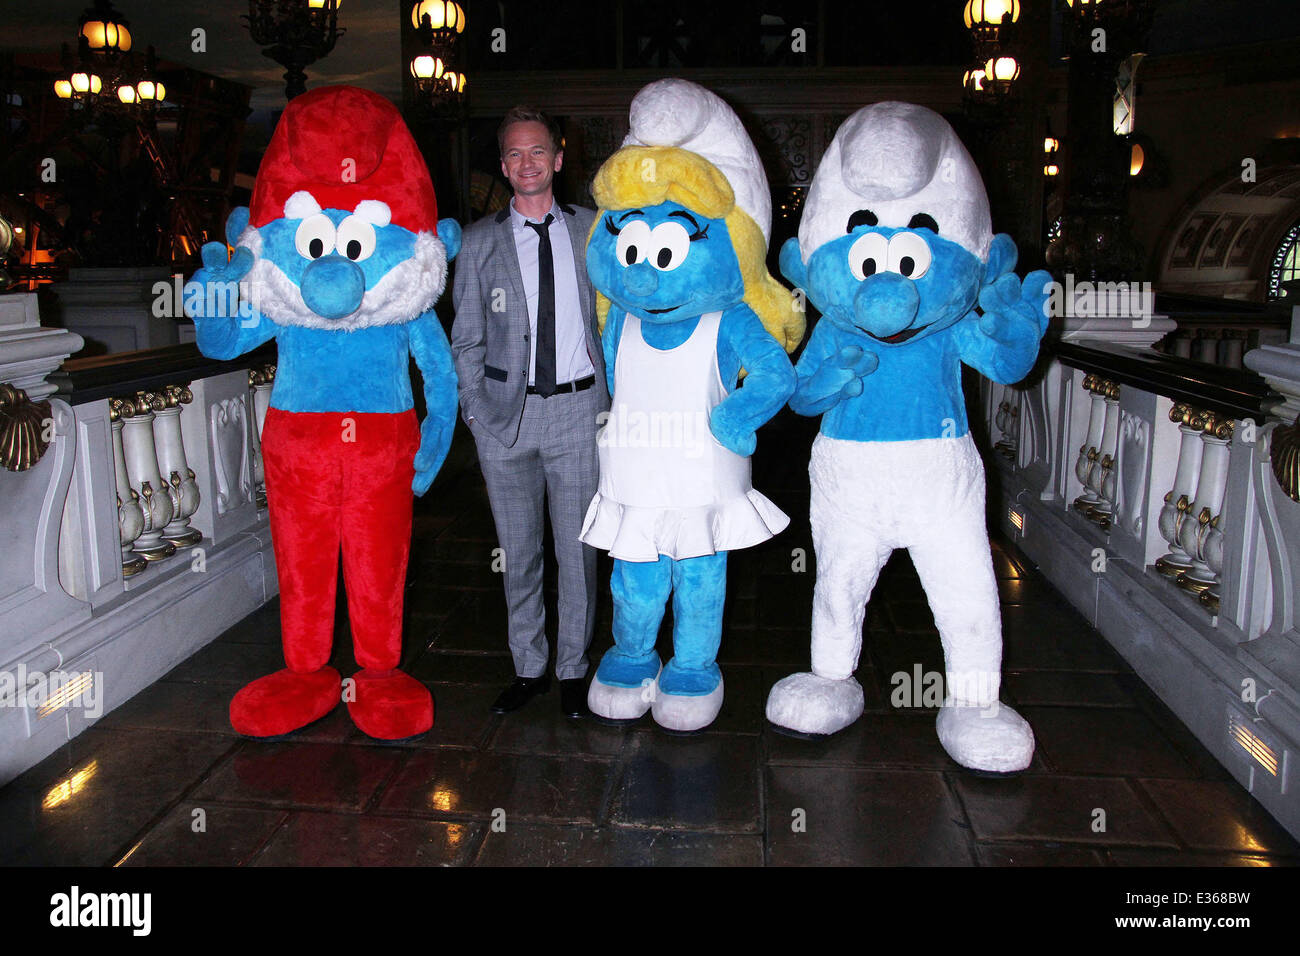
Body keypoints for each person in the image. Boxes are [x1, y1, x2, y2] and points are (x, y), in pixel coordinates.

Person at [451, 106, 609, 719]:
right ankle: (529, 665)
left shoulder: (595, 231)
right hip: (504, 420)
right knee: (518, 552)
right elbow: (465, 338)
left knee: (578, 552)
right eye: (514, 154)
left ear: (559, 159)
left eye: (537, 151)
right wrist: (475, 412)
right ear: (502, 165)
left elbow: (617, 319)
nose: (526, 163)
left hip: (578, 412)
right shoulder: (479, 241)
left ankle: (573, 667)